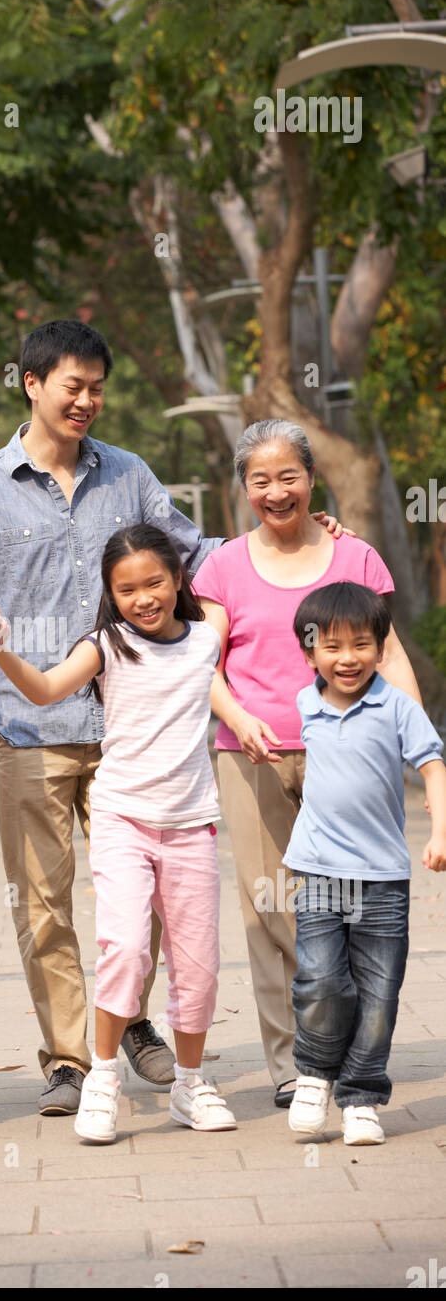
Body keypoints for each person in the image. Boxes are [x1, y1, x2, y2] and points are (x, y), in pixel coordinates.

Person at [0, 320, 227, 1114]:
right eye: (74, 385)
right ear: (31, 383)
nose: (88, 400)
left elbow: (195, 555)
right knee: (42, 901)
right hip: (29, 732)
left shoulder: (129, 475)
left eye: (98, 386)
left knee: (157, 894)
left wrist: (294, 543)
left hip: (135, 732)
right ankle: (69, 1058)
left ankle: (126, 1018)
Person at [0, 524, 237, 1142]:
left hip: (192, 824)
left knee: (198, 965)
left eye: (155, 583)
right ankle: (102, 1079)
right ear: (110, 594)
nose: (143, 598)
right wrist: (1, 649)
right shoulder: (107, 645)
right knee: (124, 949)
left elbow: (249, 565)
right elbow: (42, 691)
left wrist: (324, 529)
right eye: (126, 589)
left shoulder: (206, 640)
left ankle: (190, 1086)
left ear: (178, 579)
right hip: (122, 819)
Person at [192, 420, 421, 1108]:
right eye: (259, 480)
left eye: (287, 475)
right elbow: (200, 662)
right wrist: (237, 719)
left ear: (310, 479)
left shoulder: (356, 558)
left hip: (349, 759)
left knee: (353, 907)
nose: (275, 491)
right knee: (273, 911)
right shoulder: (223, 565)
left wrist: (417, 740)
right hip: (251, 757)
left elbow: (388, 652)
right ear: (243, 488)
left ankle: (349, 1051)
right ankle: (295, 1065)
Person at [282, 582, 446, 1145]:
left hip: (383, 878)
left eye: (361, 644)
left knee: (378, 993)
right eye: (331, 646)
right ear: (309, 654)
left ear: (380, 648)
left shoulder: (398, 706)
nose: (346, 658)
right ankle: (312, 1074)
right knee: (321, 980)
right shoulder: (304, 703)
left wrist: (441, 830)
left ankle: (360, 1096)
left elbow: (433, 766)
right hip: (318, 870)